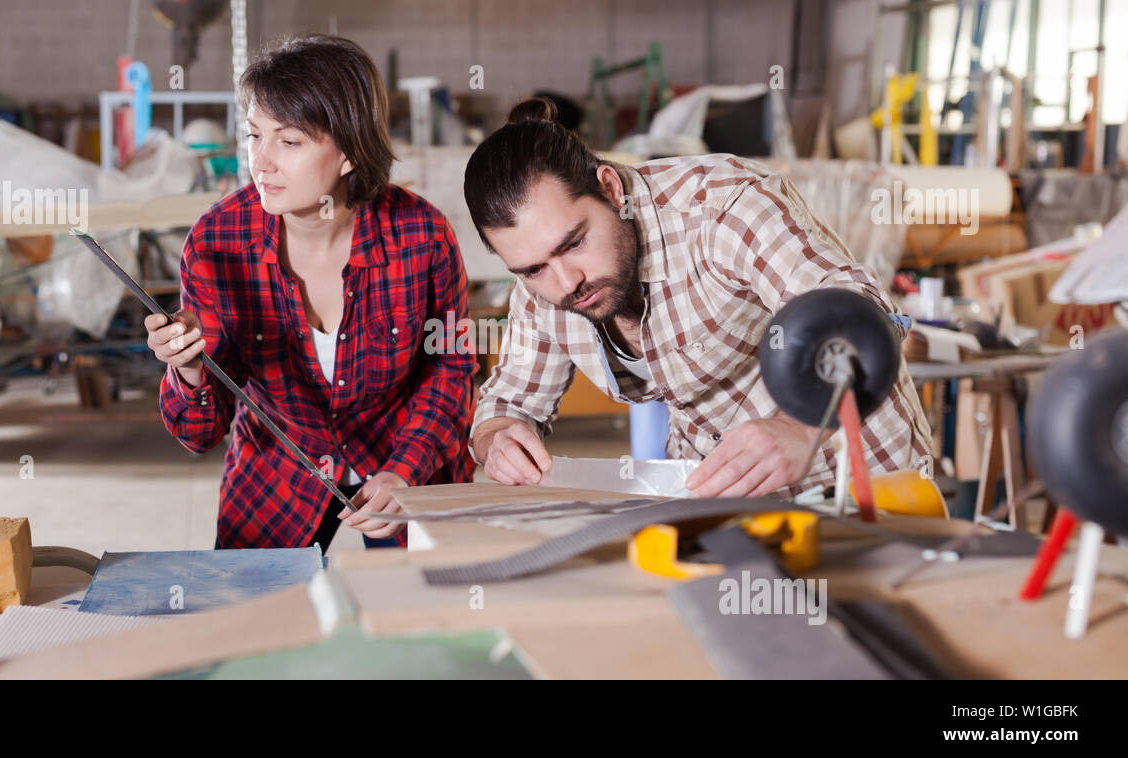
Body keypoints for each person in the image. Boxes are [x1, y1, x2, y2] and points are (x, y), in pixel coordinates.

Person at [464, 97, 932, 497]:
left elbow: (865, 319)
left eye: (574, 243)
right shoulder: (543, 283)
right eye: (533, 269)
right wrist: (498, 441)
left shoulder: (722, 208)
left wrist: (802, 428)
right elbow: (505, 406)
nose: (566, 284)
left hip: (854, 476)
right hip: (718, 495)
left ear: (609, 188)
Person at [146, 35, 475, 550]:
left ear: (349, 151)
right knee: (261, 625)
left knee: (429, 620)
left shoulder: (422, 236)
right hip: (276, 479)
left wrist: (404, 471)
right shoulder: (216, 243)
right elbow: (197, 434)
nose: (261, 162)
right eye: (255, 136)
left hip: (407, 469)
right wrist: (188, 368)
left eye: (289, 142)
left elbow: (451, 369)